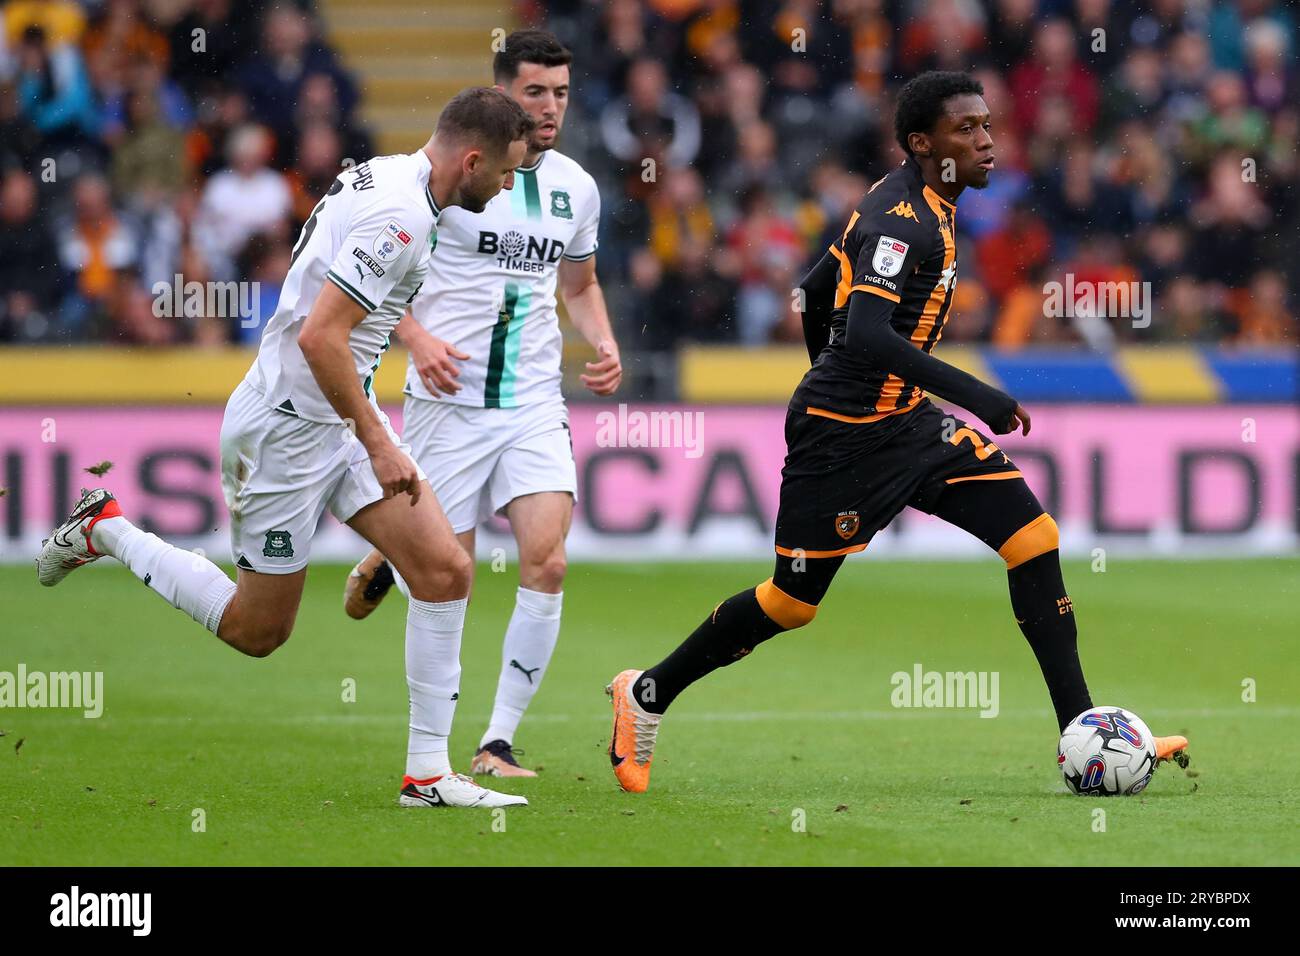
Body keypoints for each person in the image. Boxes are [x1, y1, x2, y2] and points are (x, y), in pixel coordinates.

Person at [605, 71, 1190, 793]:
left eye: (986, 124)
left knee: (1033, 538)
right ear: (922, 144)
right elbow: (867, 331)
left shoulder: (925, 206)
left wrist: (854, 376)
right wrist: (966, 394)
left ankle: (1087, 737)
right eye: (966, 128)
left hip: (906, 424)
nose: (985, 139)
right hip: (841, 439)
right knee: (791, 603)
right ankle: (647, 694)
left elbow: (819, 291)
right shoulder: (902, 219)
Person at [36, 88, 537, 810]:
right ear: (473, 159)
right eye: (507, 172)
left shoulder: (397, 179)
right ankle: (106, 528)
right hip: (287, 431)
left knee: (444, 568)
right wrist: (379, 441)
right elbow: (319, 335)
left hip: (336, 416)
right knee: (257, 630)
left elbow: (348, 304)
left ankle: (426, 776)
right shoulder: (400, 217)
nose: (508, 186)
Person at [344, 30, 621, 778]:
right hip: (447, 405)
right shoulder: (446, 176)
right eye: (535, 92)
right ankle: (389, 564)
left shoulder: (577, 187)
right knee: (446, 578)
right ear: (502, 91)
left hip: (532, 401)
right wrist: (417, 338)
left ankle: (496, 742)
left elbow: (579, 284)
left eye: (561, 93)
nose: (550, 107)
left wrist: (602, 340)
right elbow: (372, 278)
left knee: (549, 562)